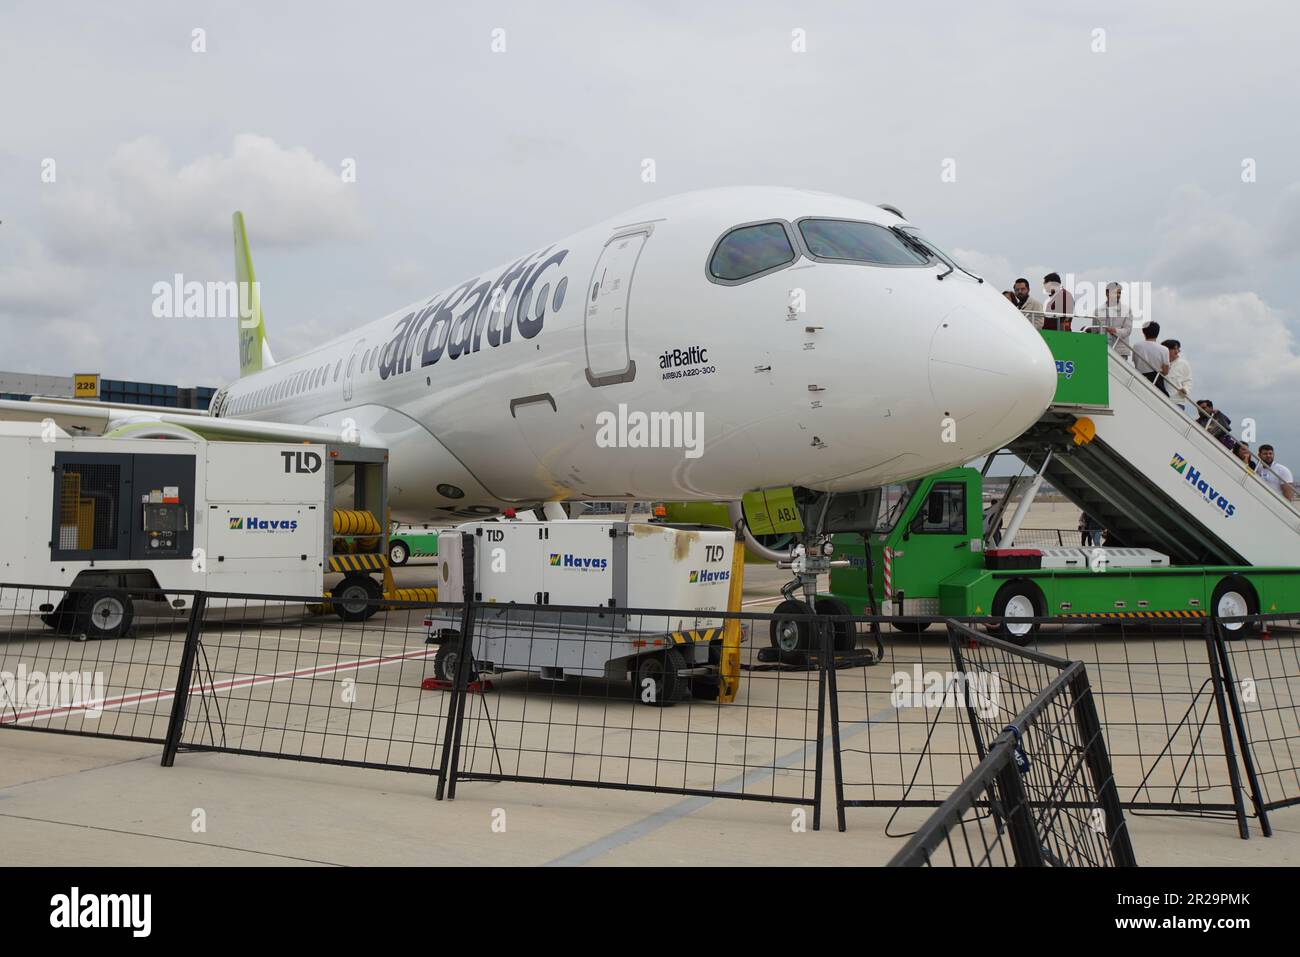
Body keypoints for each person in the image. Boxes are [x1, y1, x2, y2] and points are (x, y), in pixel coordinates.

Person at [1095, 281, 1132, 358]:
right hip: (1102, 350)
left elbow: (1127, 330)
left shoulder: (1127, 310)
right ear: (1107, 293)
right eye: (1115, 293)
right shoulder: (1098, 311)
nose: (1118, 295)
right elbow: (1095, 332)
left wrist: (1115, 330)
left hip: (1120, 352)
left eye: (1119, 293)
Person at [1131, 321, 1170, 395]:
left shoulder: (1137, 346)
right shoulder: (1164, 349)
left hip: (1139, 377)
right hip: (1156, 381)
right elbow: (1165, 372)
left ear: (1143, 332)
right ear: (1158, 333)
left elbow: (1135, 362)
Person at [1162, 339, 1193, 409]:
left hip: (1177, 402)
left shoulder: (1184, 364)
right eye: (1173, 349)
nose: (1177, 351)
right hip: (1161, 398)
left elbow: (1188, 381)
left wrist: (1185, 390)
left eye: (1177, 349)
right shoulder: (1160, 362)